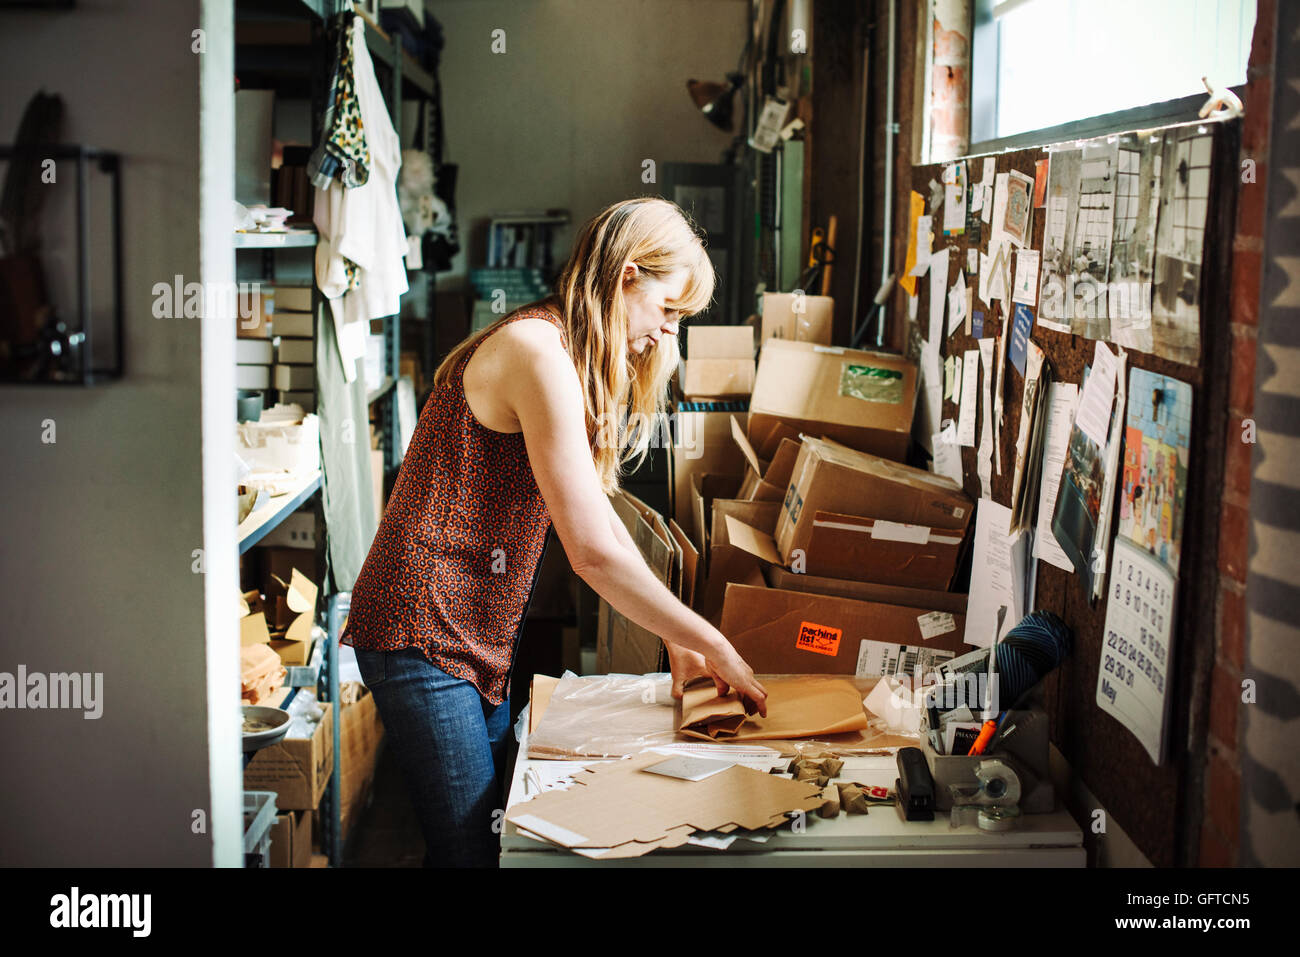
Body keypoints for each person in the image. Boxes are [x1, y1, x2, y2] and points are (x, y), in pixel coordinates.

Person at [340, 197, 768, 867]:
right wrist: (708, 638)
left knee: (483, 837)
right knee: (470, 853)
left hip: (473, 632)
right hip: (419, 627)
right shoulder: (536, 350)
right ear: (628, 274)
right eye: (668, 310)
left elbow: (598, 514)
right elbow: (592, 553)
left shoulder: (562, 348)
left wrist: (675, 633)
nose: (667, 334)